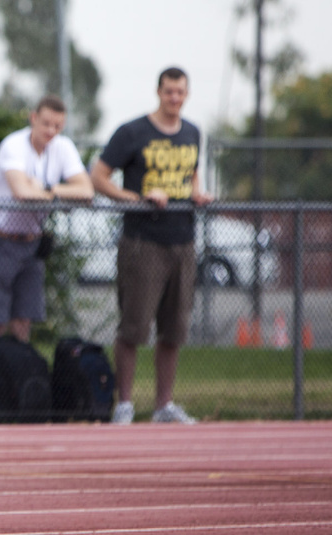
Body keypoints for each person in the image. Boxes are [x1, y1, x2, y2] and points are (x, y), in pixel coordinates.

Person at [90, 67, 213, 425]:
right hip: (143, 241)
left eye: (181, 92)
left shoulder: (192, 132)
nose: (175, 98)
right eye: (169, 92)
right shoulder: (132, 132)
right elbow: (99, 177)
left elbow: (191, 173)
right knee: (134, 327)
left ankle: (163, 405)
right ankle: (125, 404)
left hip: (183, 240)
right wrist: (139, 197)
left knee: (174, 329)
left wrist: (197, 194)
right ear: (158, 92)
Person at [0, 94, 93, 345]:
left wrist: (49, 189)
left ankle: (20, 382)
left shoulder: (63, 147)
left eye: (57, 126)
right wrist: (57, 194)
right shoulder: (14, 145)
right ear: (33, 119)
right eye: (46, 124)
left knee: (23, 322)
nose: (51, 131)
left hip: (32, 242)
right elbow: (22, 193)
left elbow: (86, 191)